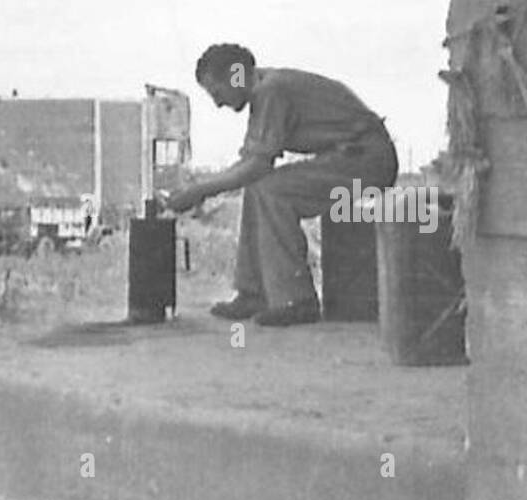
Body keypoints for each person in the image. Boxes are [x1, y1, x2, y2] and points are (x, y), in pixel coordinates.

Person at [163, 43, 397, 326]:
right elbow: (251, 164)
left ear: (237, 75)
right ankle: (254, 292)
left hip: (368, 160)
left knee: (271, 190)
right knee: (258, 186)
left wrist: (199, 191)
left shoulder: (272, 90)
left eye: (218, 92)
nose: (218, 103)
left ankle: (295, 301)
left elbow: (256, 166)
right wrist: (200, 187)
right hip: (355, 157)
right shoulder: (267, 91)